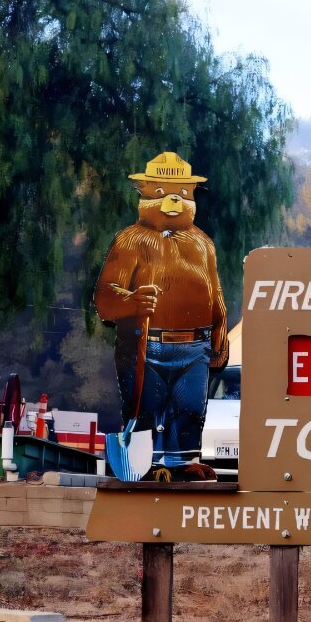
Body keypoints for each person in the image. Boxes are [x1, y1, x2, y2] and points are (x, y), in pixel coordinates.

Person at [95, 152, 228, 482]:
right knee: (145, 408)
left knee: (191, 409)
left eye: (182, 193)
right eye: (160, 192)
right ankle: (147, 463)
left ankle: (183, 461)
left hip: (194, 347)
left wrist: (220, 331)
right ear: (143, 194)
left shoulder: (203, 244)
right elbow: (104, 298)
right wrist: (132, 301)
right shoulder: (130, 240)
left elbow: (216, 292)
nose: (173, 200)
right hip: (148, 347)